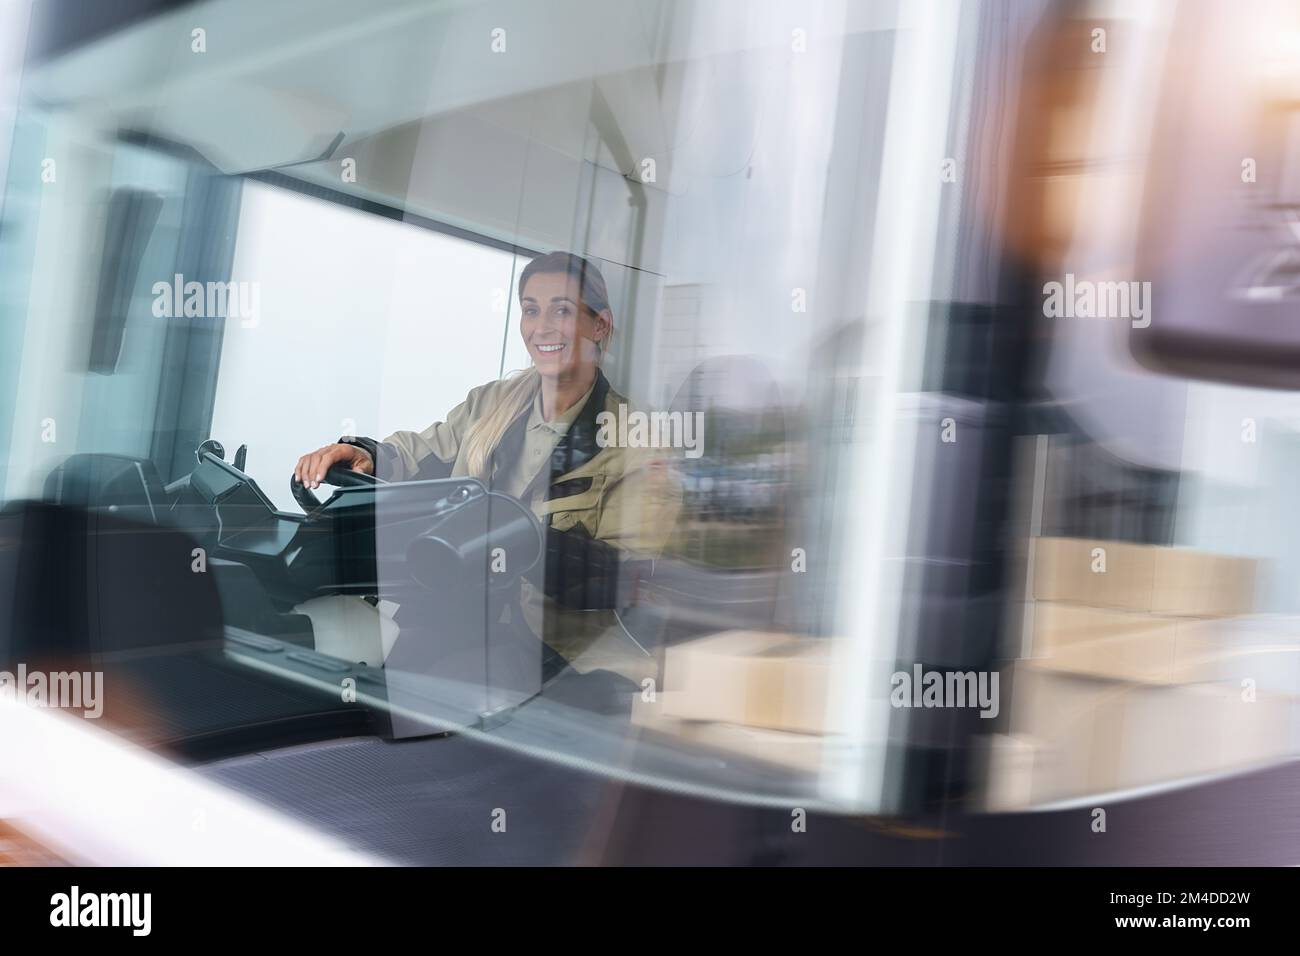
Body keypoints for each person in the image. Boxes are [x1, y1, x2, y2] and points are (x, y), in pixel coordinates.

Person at [292, 252, 680, 682]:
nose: (542, 327)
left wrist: (519, 541)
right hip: (462, 617)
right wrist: (367, 455)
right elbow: (422, 454)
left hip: (559, 651)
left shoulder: (638, 441)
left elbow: (624, 577)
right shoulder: (490, 403)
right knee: (351, 666)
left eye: (562, 310)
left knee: (435, 681)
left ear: (599, 326)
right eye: (531, 310)